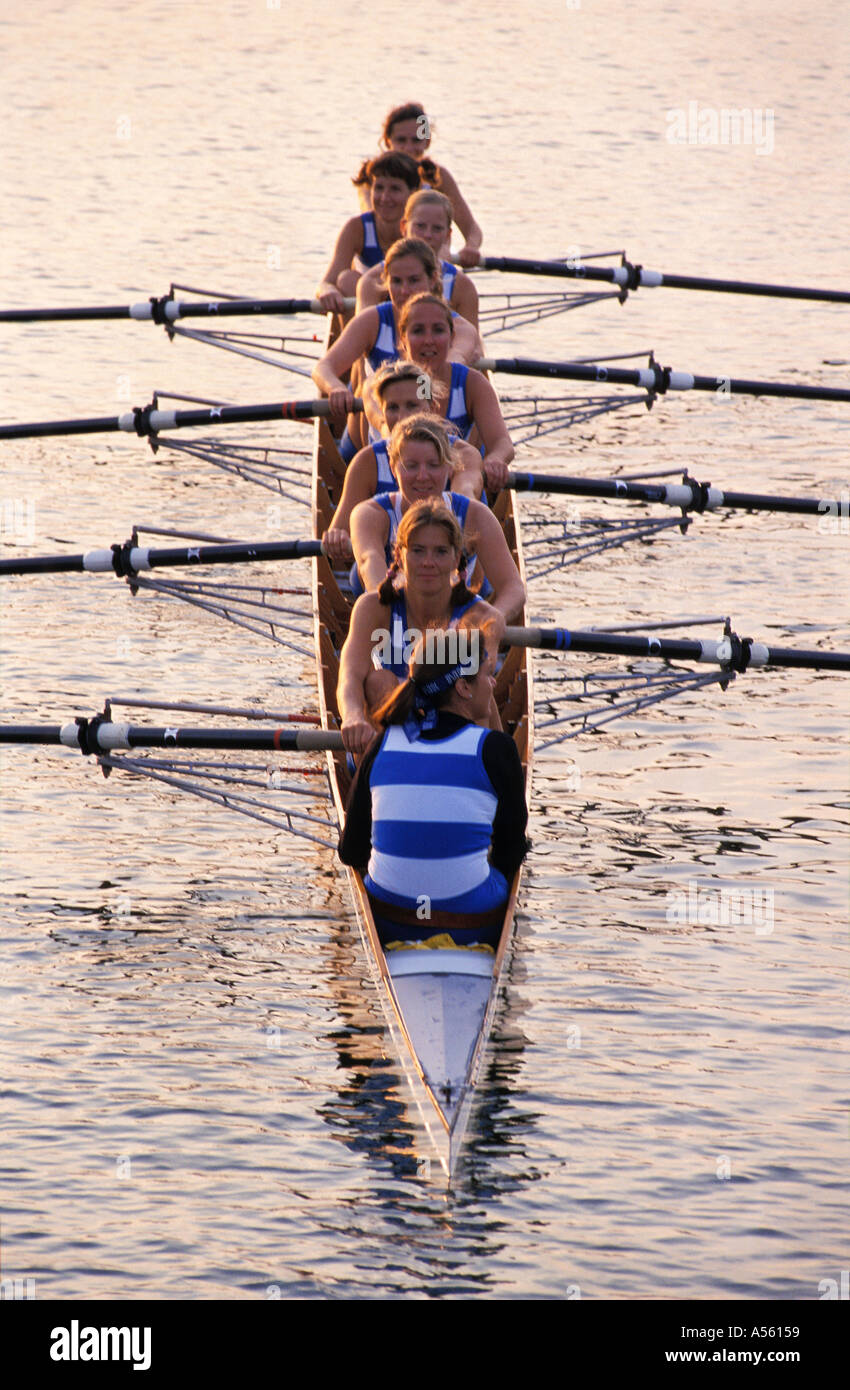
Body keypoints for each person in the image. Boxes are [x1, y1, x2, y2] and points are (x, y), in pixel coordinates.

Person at [338, 626, 528, 945]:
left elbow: (350, 851)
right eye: (487, 674)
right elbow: (511, 854)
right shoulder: (497, 749)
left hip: (389, 918)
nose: (494, 682)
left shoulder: (382, 743)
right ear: (463, 687)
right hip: (473, 922)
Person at [336, 498, 507, 756]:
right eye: (417, 551)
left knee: (478, 690)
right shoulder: (373, 607)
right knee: (378, 681)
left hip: (454, 734)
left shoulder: (481, 617)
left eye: (440, 552)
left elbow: (480, 696)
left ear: (456, 558)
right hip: (391, 733)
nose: (428, 562)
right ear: (399, 555)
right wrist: (352, 717)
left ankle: (483, 768)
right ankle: (376, 773)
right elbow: (349, 675)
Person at [348, 415, 524, 613]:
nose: (422, 476)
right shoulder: (369, 514)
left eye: (433, 465)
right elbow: (371, 569)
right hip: (393, 616)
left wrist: (494, 619)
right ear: (393, 468)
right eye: (411, 466)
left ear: (449, 468)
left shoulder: (475, 515)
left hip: (457, 621)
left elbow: (513, 588)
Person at [322, 362, 484, 568]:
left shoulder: (464, 454)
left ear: (432, 407)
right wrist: (336, 538)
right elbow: (339, 530)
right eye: (393, 408)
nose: (402, 416)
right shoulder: (367, 460)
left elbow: (465, 493)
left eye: (412, 405)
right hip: (385, 565)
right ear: (382, 412)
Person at [398, 292, 513, 490]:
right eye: (418, 331)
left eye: (438, 330)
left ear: (452, 337)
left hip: (459, 484)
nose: (428, 340)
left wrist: (496, 459)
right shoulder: (388, 385)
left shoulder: (472, 383)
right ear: (403, 338)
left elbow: (502, 443)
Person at [354, 102, 483, 268]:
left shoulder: (438, 176)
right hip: (375, 262)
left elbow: (472, 229)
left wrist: (471, 248)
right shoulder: (372, 176)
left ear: (427, 141)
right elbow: (380, 220)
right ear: (387, 141)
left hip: (426, 260)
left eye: (416, 140)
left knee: (442, 251)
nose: (408, 148)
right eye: (401, 140)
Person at [356, 189, 479, 326]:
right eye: (420, 226)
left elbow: (472, 338)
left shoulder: (462, 286)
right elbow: (361, 334)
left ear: (448, 235)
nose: (427, 235)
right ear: (404, 227)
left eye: (437, 228)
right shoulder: (372, 281)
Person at [315, 152, 420, 313]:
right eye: (379, 188)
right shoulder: (356, 228)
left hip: (409, 308)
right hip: (366, 310)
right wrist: (328, 291)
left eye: (395, 189)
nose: (384, 197)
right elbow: (326, 283)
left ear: (413, 193)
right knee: (346, 280)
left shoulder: (423, 228)